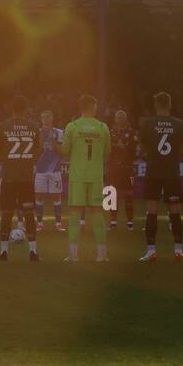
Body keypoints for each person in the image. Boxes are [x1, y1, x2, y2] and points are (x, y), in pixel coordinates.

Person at [136, 91, 183, 262]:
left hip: (153, 171)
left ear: (156, 104)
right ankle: (178, 251)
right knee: (175, 212)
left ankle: (151, 251)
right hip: (172, 172)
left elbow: (143, 149)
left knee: (151, 212)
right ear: (170, 104)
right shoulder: (179, 124)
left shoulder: (148, 123)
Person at [61, 95, 110, 262]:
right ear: (93, 106)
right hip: (96, 176)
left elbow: (65, 151)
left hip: (78, 176)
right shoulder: (102, 127)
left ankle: (73, 255)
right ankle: (102, 255)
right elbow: (107, 153)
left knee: (75, 215)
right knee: (98, 215)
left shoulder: (72, 126)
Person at [0, 95, 41, 261]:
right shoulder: (34, 128)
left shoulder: (2, 127)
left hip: (8, 177)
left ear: (11, 109)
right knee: (29, 214)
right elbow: (38, 151)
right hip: (26, 178)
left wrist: (8, 158)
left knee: (6, 214)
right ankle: (33, 252)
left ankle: (3, 252)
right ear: (26, 109)